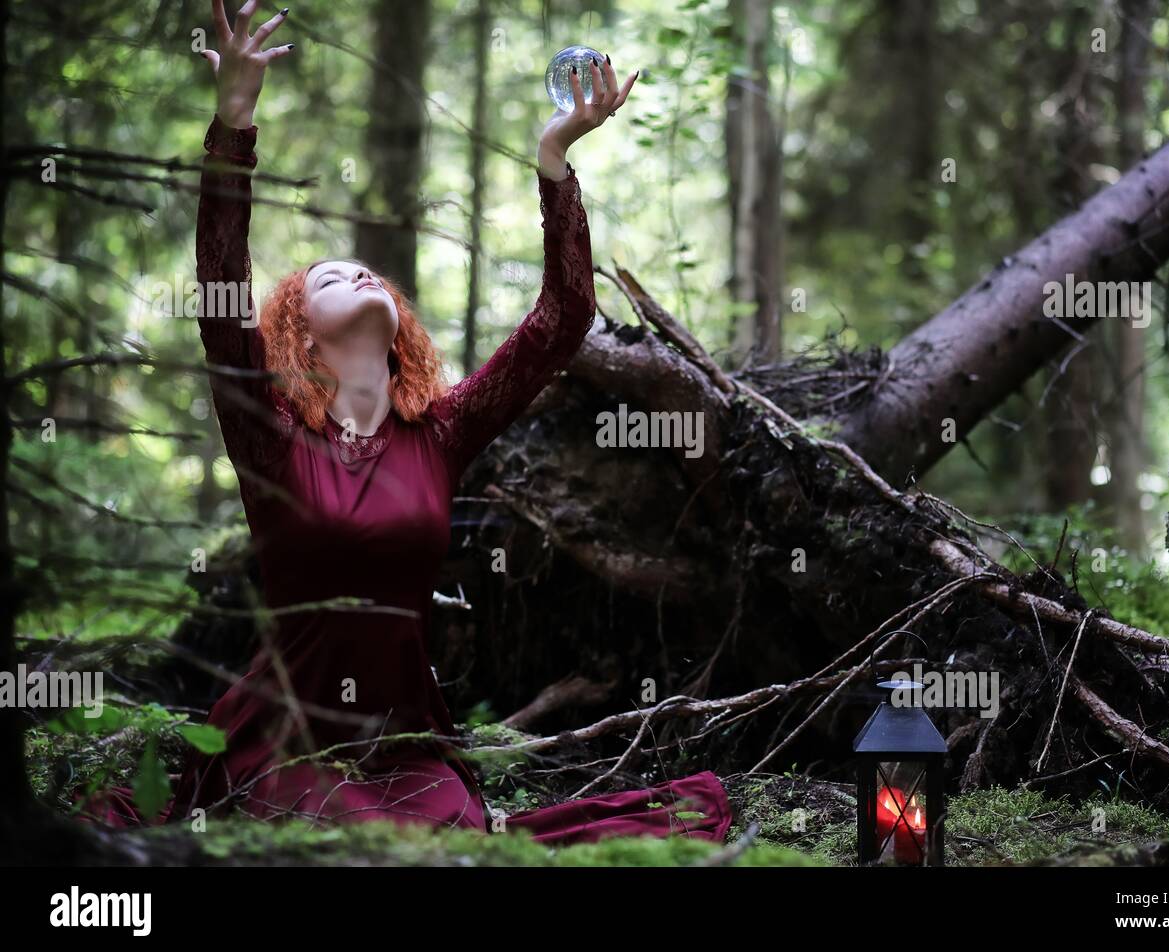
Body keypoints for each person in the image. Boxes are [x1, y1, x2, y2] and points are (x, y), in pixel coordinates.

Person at [79, 0, 732, 847]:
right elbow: (218, 292)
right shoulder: (270, 435)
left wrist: (553, 158)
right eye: (332, 275)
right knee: (367, 849)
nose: (363, 276)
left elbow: (563, 320)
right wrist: (232, 127)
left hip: (406, 745)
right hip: (285, 743)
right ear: (298, 333)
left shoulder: (441, 432)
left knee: (451, 842)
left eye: (370, 272)